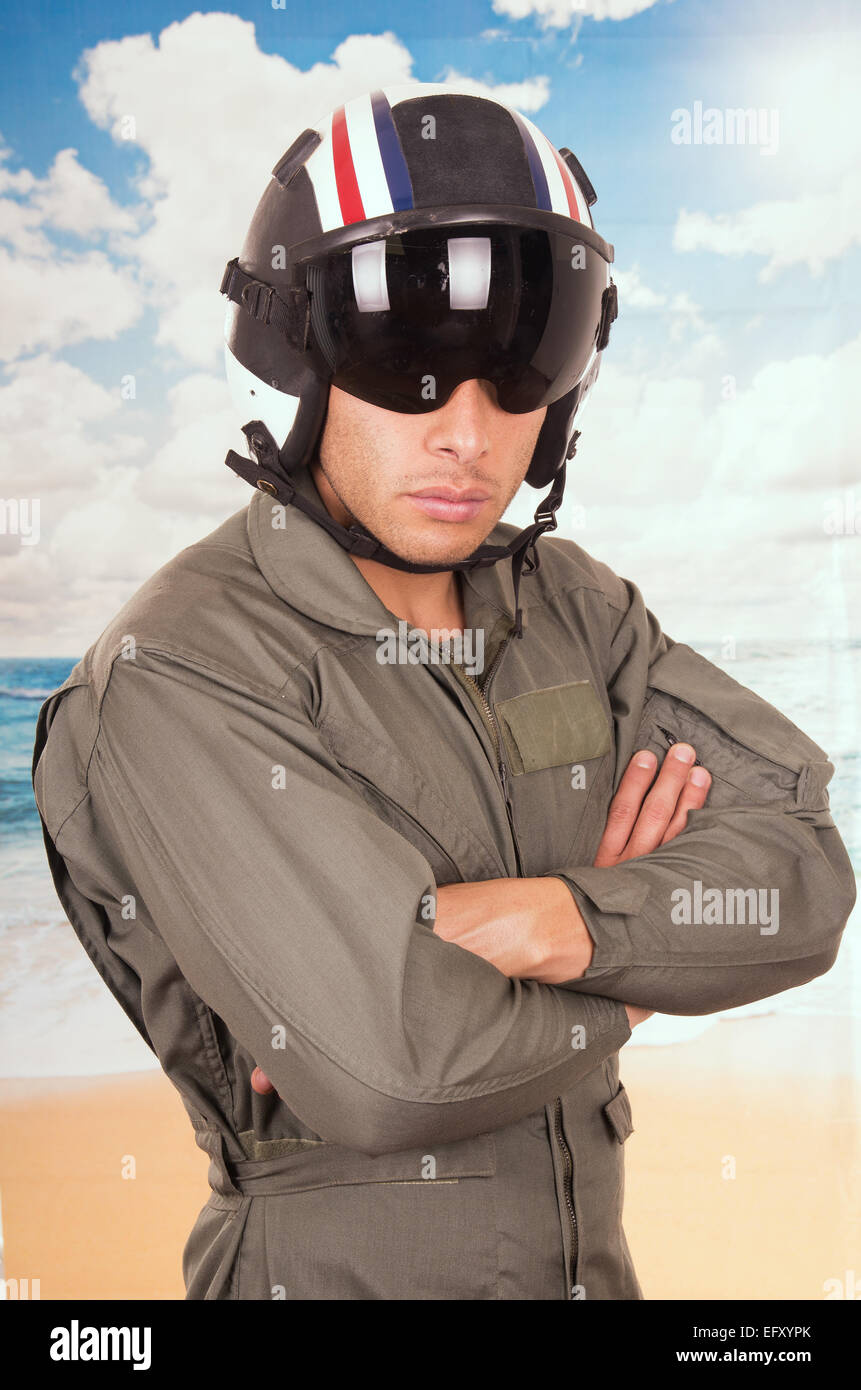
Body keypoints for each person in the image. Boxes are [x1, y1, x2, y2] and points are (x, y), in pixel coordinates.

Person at [32, 85, 855, 1301]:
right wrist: (634, 969)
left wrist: (551, 920)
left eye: (517, 365)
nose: (469, 434)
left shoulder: (578, 606)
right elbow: (396, 1062)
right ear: (297, 356)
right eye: (405, 361)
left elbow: (804, 873)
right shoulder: (181, 665)